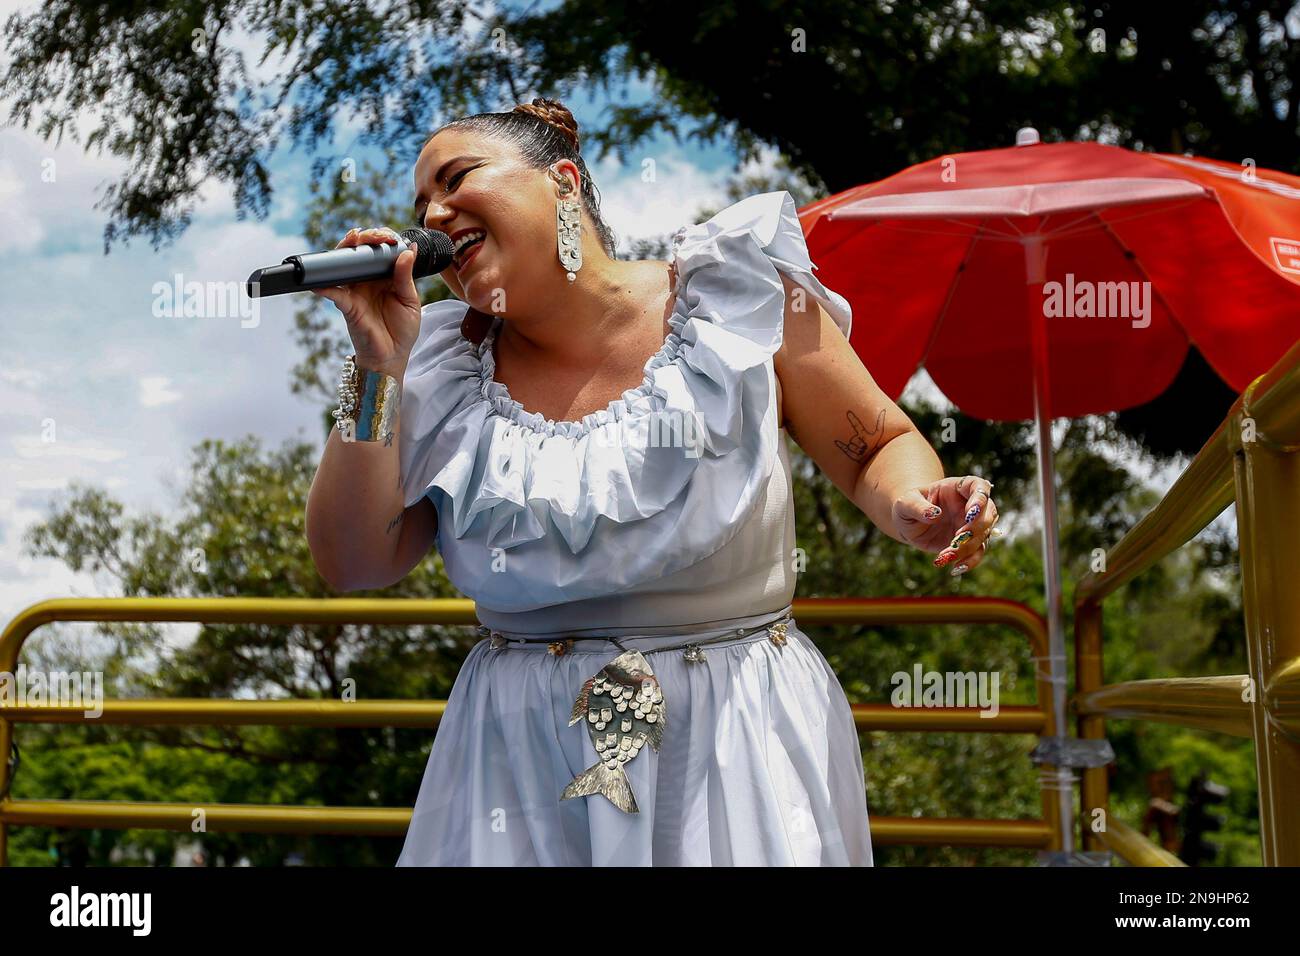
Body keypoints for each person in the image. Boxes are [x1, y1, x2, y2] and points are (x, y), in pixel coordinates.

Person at [304, 97, 1000, 866]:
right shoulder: (430, 365)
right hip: (515, 757)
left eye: (456, 178)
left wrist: (908, 504)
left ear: (564, 182)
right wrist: (374, 369)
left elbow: (876, 445)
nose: (433, 214)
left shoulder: (737, 294)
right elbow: (353, 561)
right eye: (420, 206)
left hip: (737, 737)